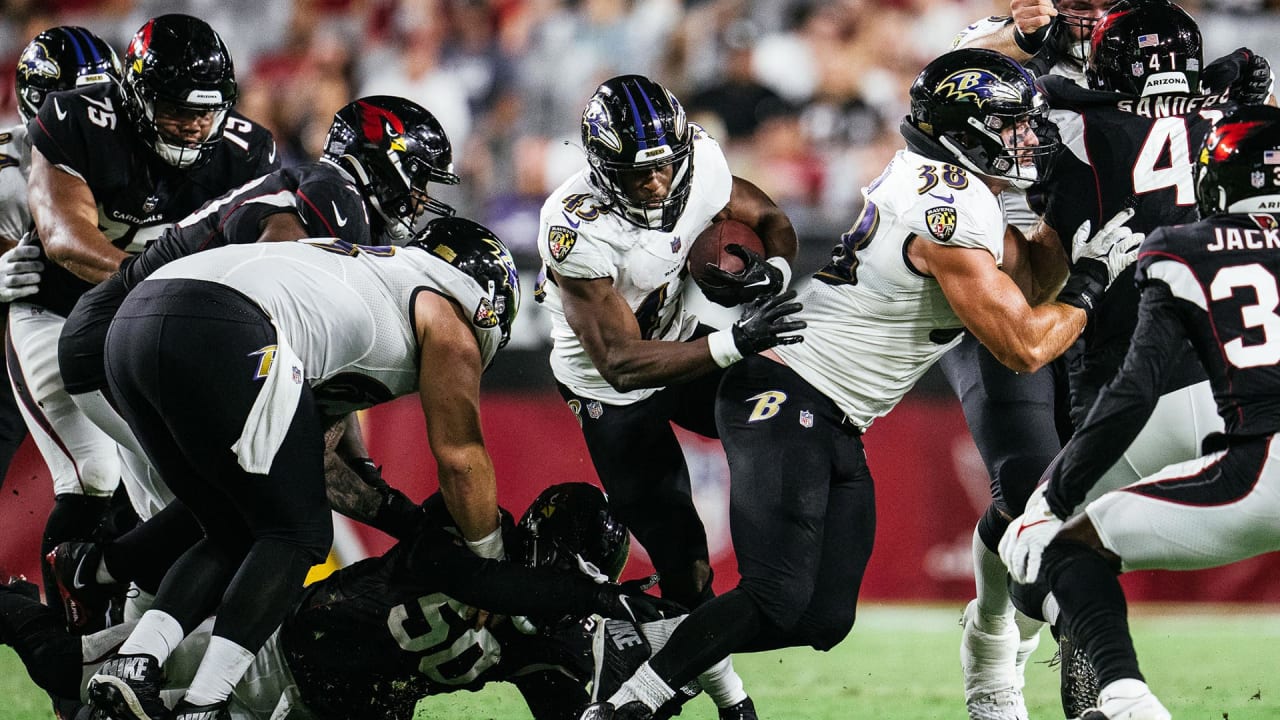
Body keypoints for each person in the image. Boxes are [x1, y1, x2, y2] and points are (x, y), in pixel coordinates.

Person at [577, 47, 1142, 720]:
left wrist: (1058, 232)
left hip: (835, 413)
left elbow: (1024, 282)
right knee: (773, 594)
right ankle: (624, 705)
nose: (1024, 137)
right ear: (965, 130)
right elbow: (1023, 346)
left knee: (823, 620)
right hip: (789, 393)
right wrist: (1092, 279)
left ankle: (642, 635)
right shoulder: (945, 209)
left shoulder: (946, 181)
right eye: (1009, 123)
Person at [949, 2, 1274, 717]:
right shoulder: (1030, 69)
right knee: (1024, 487)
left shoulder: (1087, 110)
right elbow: (956, 83)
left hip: (1117, 320)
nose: (1092, 11)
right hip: (1005, 291)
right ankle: (995, 643)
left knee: (1060, 516)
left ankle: (1079, 676)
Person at [44, 95, 464, 631]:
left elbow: (323, 382)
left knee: (237, 506)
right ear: (380, 160)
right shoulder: (334, 201)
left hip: (143, 339)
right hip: (122, 342)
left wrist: (367, 480)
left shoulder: (338, 201)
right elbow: (273, 289)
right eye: (418, 179)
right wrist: (400, 515)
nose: (422, 198)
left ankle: (99, 591)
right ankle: (119, 650)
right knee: (236, 512)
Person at [83, 217, 521, 720]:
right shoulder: (447, 315)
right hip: (223, 324)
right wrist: (487, 561)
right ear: (488, 302)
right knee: (298, 533)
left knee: (232, 524)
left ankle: (135, 663)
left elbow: (319, 462)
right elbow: (462, 457)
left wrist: (404, 521)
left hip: (133, 323)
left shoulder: (362, 278)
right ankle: (205, 704)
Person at [0, 482, 757, 720]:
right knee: (67, 675)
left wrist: (706, 703)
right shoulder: (475, 532)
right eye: (573, 569)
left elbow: (683, 630)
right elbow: (446, 562)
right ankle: (12, 604)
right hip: (284, 647)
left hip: (364, 705)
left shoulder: (550, 624)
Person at [9, 13, 278, 623]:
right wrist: (167, 287)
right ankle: (66, 645)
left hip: (156, 326)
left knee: (174, 478)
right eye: (174, 110)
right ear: (132, 94)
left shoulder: (246, 150)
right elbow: (64, 237)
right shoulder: (80, 119)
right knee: (96, 473)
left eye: (204, 111)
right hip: (58, 314)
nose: (192, 126)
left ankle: (135, 622)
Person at [536, 73, 804, 610]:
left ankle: (788, 570)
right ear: (602, 168)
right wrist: (735, 341)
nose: (658, 181)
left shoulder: (700, 160)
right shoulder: (575, 226)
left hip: (679, 339)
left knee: (794, 419)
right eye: (638, 172)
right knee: (685, 563)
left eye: (664, 164)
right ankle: (706, 691)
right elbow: (620, 362)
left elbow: (770, 218)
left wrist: (770, 274)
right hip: (610, 391)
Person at [0, 27, 121, 488]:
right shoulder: (7, 171)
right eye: (74, 102)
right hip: (24, 336)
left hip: (99, 333)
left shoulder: (137, 158)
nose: (91, 116)